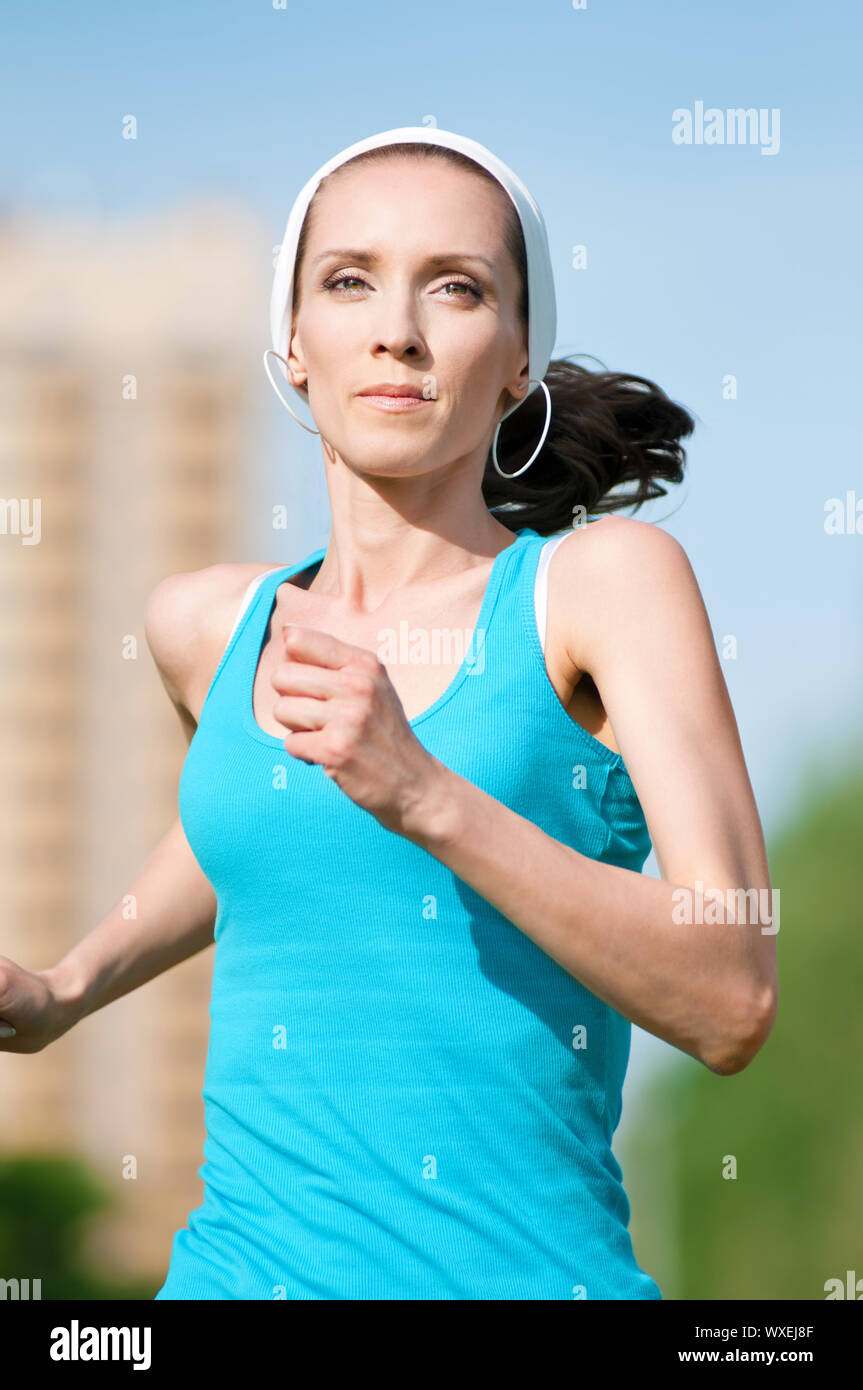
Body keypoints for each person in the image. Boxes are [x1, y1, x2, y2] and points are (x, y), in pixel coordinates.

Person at [0, 127, 777, 1300]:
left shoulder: (597, 587)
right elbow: (250, 836)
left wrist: (421, 791)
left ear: (517, 355)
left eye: (455, 288)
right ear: (293, 342)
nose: (397, 329)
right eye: (348, 279)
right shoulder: (206, 624)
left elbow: (730, 994)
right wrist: (63, 989)